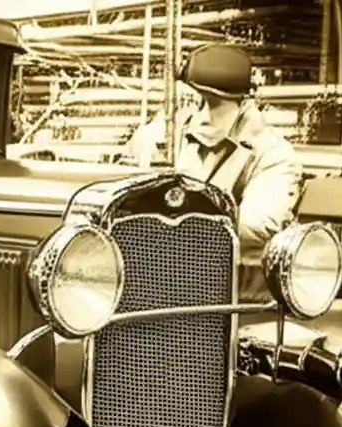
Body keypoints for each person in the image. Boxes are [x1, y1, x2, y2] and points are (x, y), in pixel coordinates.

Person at [130, 43, 303, 302]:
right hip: (157, 287)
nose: (201, 115)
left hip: (235, 301)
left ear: (241, 103)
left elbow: (253, 229)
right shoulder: (170, 135)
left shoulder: (273, 155)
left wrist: (177, 213)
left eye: (213, 104)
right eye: (195, 102)